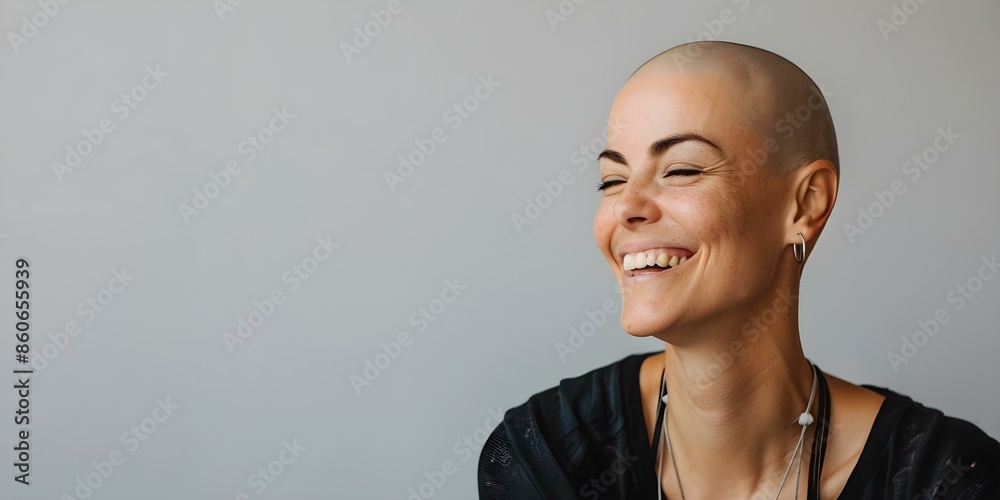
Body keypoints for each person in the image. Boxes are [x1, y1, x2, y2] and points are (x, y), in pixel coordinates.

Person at [477, 41, 1000, 499]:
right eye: (611, 181)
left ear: (805, 205)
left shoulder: (947, 478)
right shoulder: (547, 454)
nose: (626, 207)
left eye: (680, 169)